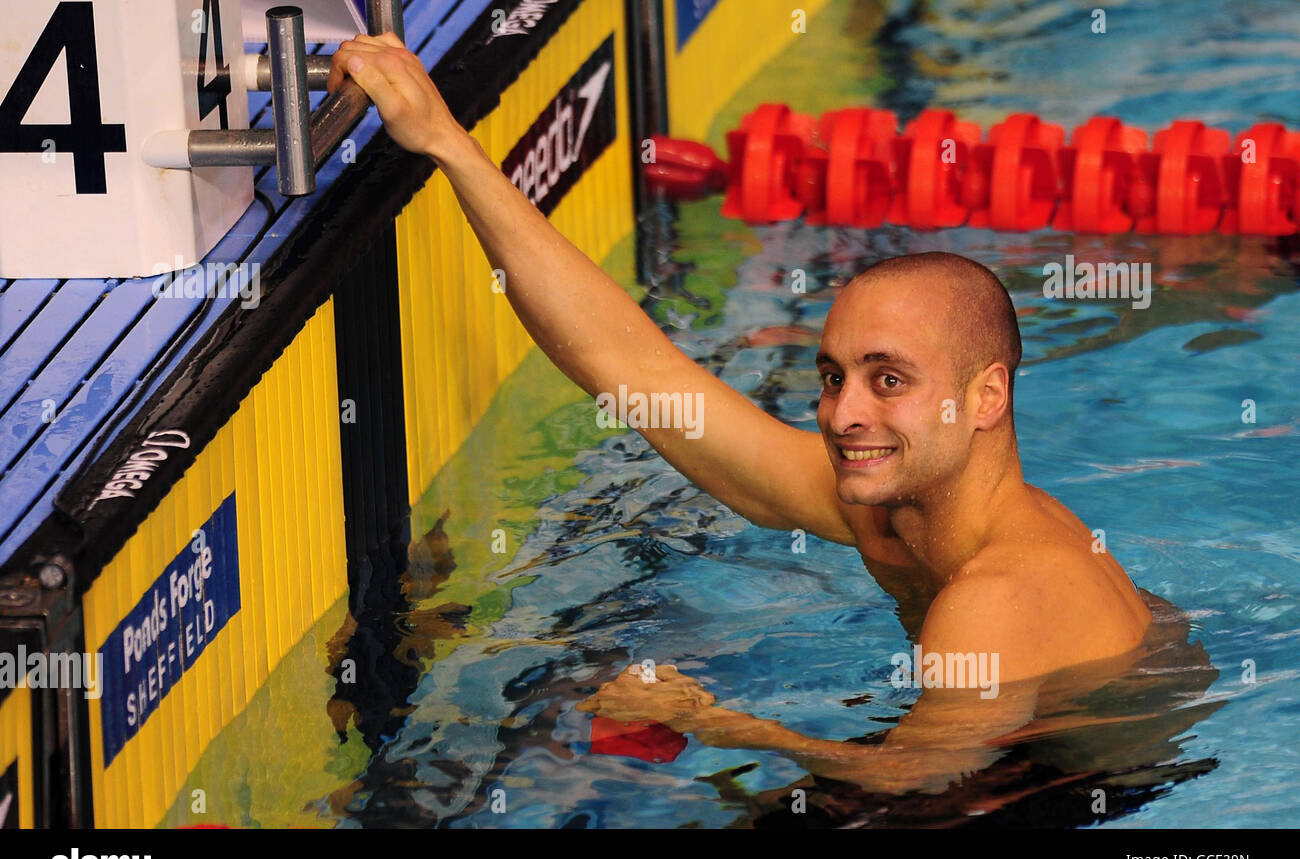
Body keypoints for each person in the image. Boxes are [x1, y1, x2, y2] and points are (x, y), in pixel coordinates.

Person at [329, 35, 1168, 796]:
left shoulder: (997, 600)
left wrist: (711, 720)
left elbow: (906, 778)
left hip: (1081, 773)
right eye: (834, 376)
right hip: (991, 737)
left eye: (888, 381)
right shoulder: (892, 504)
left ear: (986, 397)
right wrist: (448, 144)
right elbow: (634, 369)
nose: (843, 415)